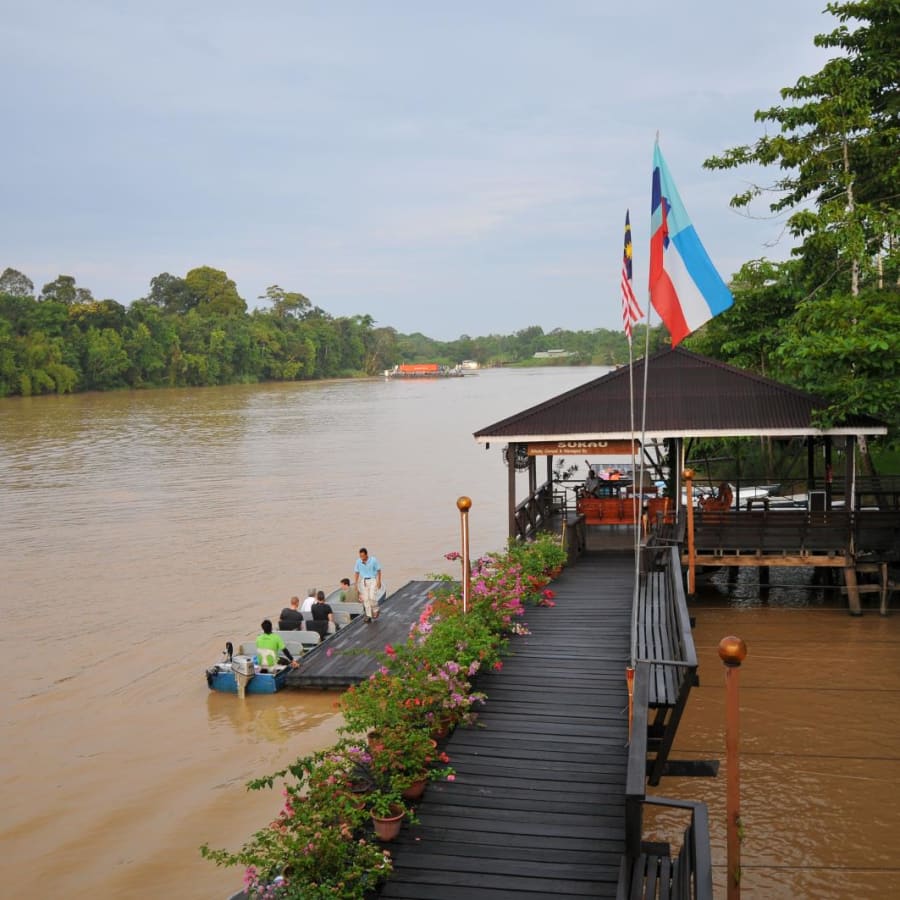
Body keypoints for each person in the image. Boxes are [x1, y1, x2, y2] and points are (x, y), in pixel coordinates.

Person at [353, 547, 382, 623]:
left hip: (372, 580)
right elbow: (356, 572)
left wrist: (379, 581)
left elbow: (379, 570)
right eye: (360, 556)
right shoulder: (358, 562)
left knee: (372, 597)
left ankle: (376, 609)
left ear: (366, 555)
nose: (361, 558)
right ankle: (369, 615)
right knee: (366, 599)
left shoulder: (373, 560)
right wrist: (355, 584)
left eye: (363, 556)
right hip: (364, 581)